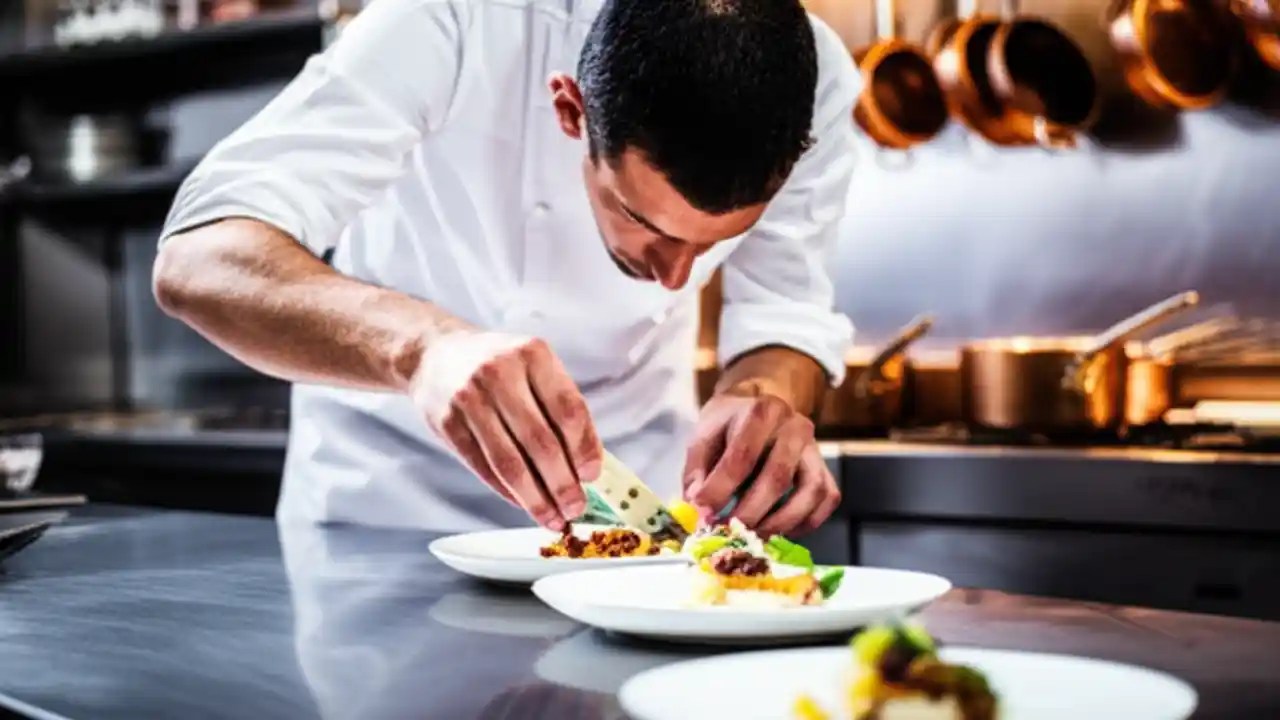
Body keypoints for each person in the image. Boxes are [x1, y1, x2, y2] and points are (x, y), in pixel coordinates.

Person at [153, 0, 857, 536]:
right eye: (642, 220)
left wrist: (765, 394)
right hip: (389, 505)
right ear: (570, 110)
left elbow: (784, 312)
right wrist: (423, 349)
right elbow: (199, 256)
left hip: (632, 512)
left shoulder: (815, 81)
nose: (675, 280)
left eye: (711, 246)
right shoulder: (455, 16)